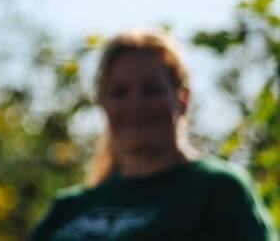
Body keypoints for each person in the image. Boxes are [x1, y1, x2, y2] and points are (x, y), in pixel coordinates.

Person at [30, 29, 276, 240]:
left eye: (151, 90)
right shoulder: (70, 208)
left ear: (182, 99)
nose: (136, 105)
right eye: (119, 92)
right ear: (102, 102)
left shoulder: (216, 190)